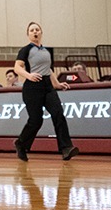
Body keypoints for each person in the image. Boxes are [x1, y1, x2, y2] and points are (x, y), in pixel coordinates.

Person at [13, 21, 76, 161]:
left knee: (58, 113)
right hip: (32, 88)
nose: (35, 32)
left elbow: (49, 70)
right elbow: (17, 67)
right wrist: (29, 75)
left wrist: (57, 84)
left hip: (48, 87)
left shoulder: (46, 51)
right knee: (36, 120)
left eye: (37, 29)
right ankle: (21, 144)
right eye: (31, 30)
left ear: (41, 32)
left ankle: (66, 148)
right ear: (28, 34)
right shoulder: (25, 50)